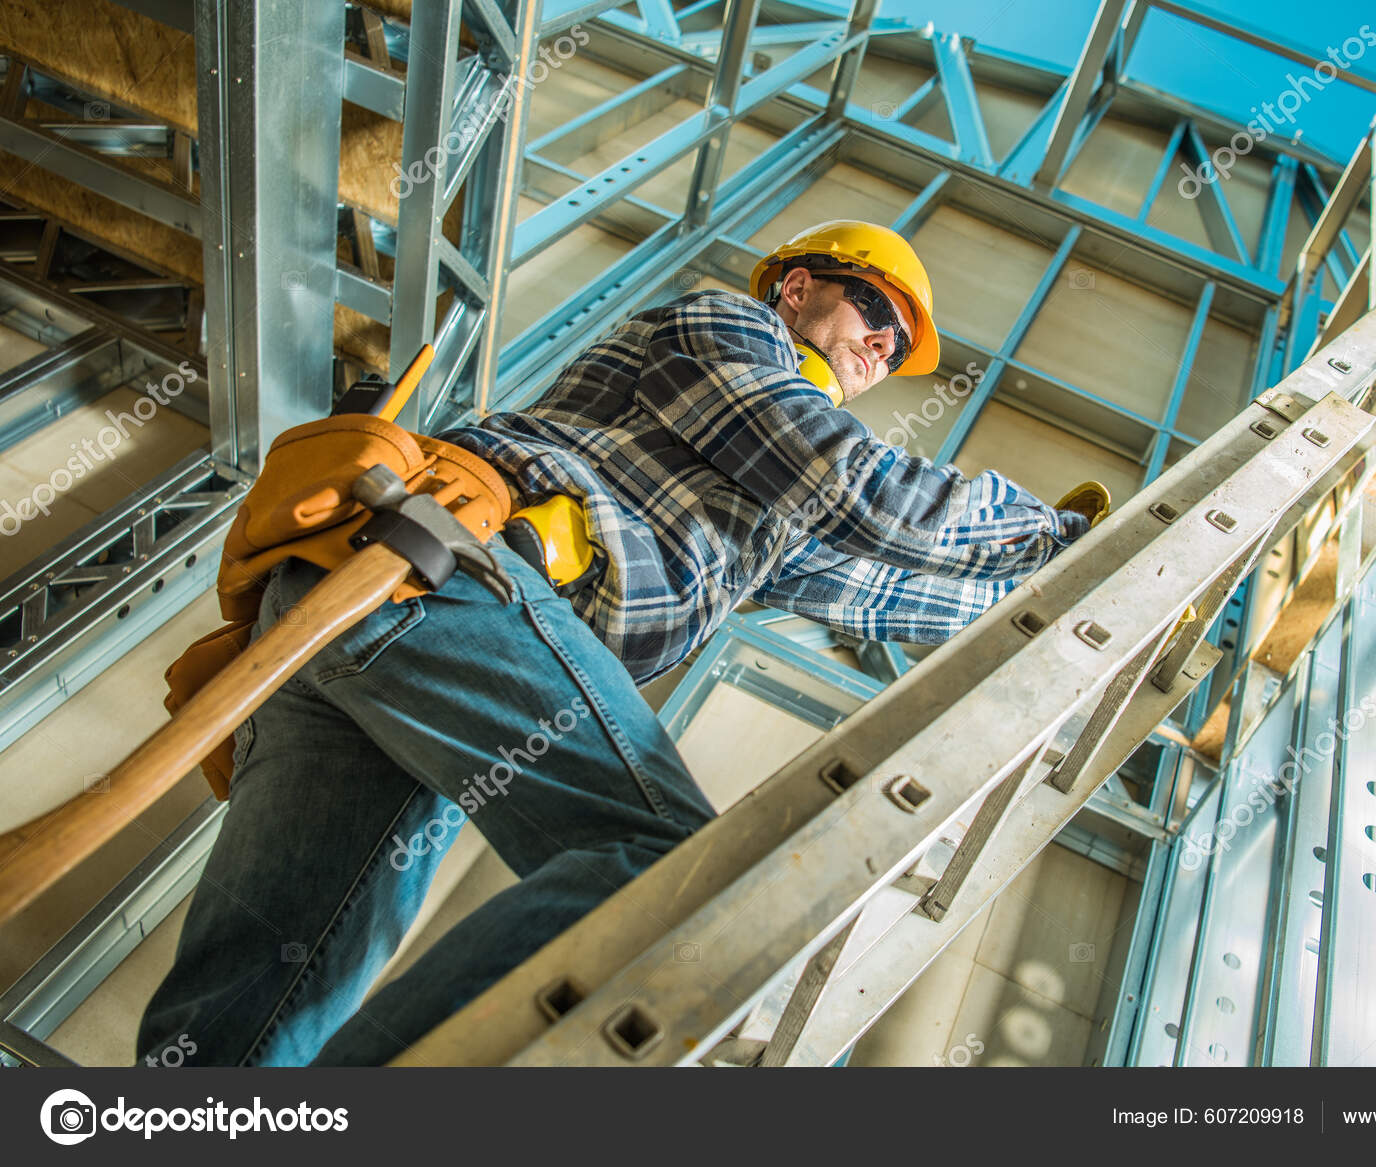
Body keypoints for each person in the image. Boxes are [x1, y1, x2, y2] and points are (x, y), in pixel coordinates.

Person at [135, 220, 1093, 1068]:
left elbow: (882, 588)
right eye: (877, 312)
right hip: (445, 578)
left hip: (390, 630)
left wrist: (1049, 587)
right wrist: (1051, 534)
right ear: (799, 286)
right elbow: (855, 485)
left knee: (257, 999)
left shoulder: (769, 511)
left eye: (898, 348)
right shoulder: (726, 327)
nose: (884, 347)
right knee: (666, 878)